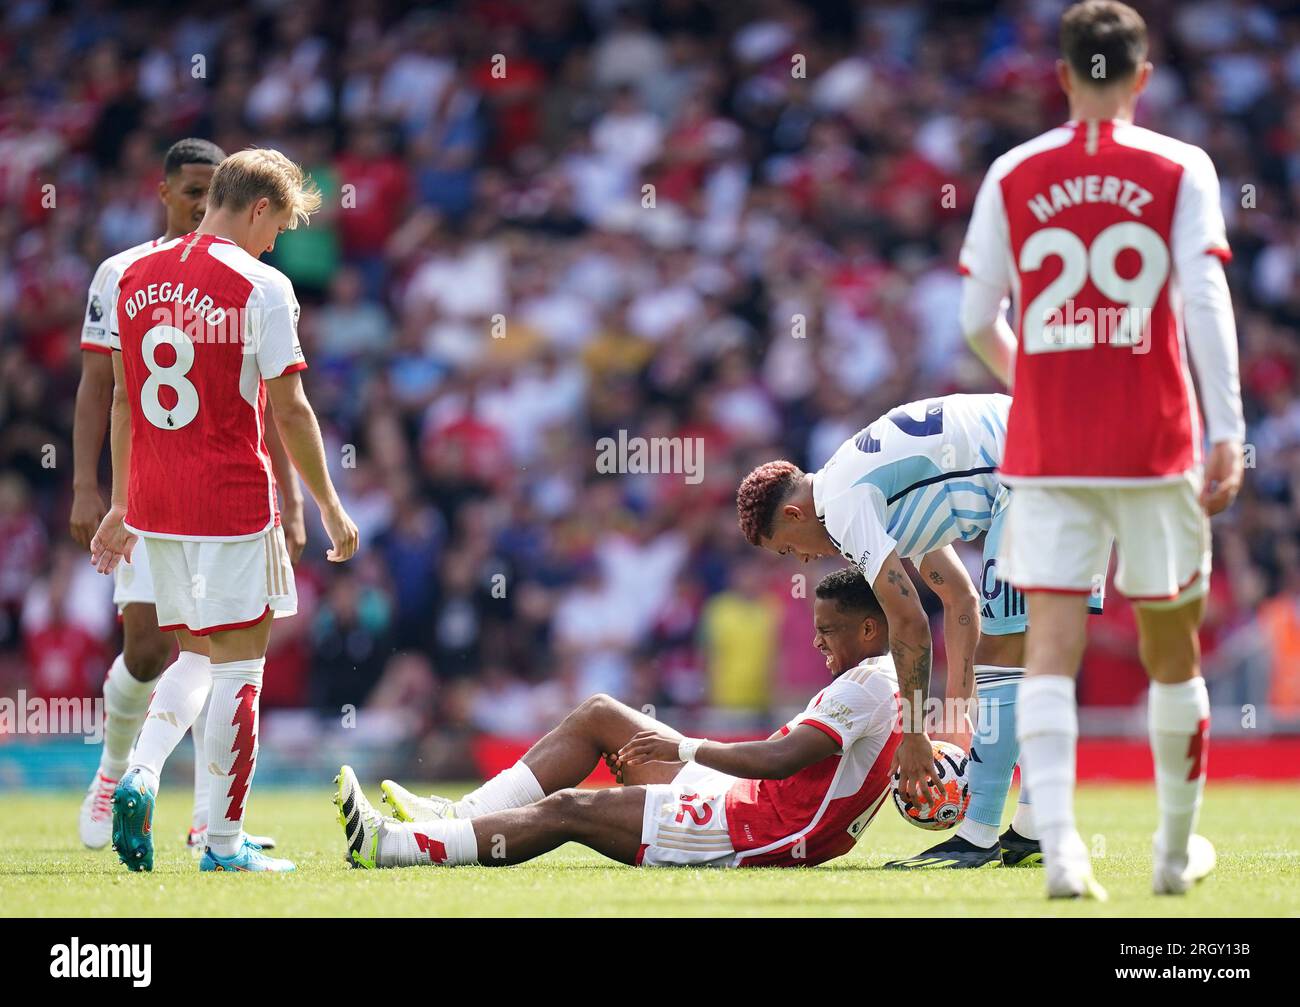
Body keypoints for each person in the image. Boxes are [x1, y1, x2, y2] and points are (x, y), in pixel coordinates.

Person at [959, 0, 1245, 899]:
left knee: (1048, 651)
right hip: (1153, 443)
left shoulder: (1013, 172)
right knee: (1174, 651)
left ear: (1061, 75)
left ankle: (1062, 854)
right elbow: (1204, 302)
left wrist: (1035, 382)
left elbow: (974, 320)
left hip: (1049, 453)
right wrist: (1229, 428)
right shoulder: (1179, 166)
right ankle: (1171, 853)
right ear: (1142, 76)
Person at [90, 148, 359, 873]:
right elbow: (292, 408)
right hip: (233, 499)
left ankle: (139, 773)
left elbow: (122, 400)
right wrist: (329, 504)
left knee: (195, 656)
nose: (277, 245)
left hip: (156, 502)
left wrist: (122, 504)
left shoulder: (132, 277)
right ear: (259, 207)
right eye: (279, 228)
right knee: (242, 671)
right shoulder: (261, 286)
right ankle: (224, 844)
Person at [335, 568, 901, 870]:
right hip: (742, 796)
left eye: (827, 630)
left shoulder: (872, 682)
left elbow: (780, 762)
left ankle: (392, 847)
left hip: (752, 830)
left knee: (569, 809)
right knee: (599, 714)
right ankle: (458, 815)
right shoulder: (882, 682)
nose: (816, 639)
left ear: (870, 629)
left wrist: (680, 750)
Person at [738, 392, 1087, 868]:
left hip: (1040, 471)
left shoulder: (841, 505)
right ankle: (1034, 828)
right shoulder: (882, 492)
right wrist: (959, 715)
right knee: (1039, 657)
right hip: (1075, 458)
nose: (800, 559)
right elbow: (959, 600)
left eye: (786, 549)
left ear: (795, 515)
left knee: (1008, 655)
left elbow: (908, 620)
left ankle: (980, 835)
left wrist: (916, 734)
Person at [73, 137, 296, 855]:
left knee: (200, 653)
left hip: (165, 494)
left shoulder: (218, 275)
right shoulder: (126, 272)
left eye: (213, 188)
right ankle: (123, 775)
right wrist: (94, 488)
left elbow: (254, 404)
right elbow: (108, 392)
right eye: (193, 189)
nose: (204, 202)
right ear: (165, 192)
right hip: (167, 495)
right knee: (160, 649)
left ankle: (199, 815)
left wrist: (288, 496)